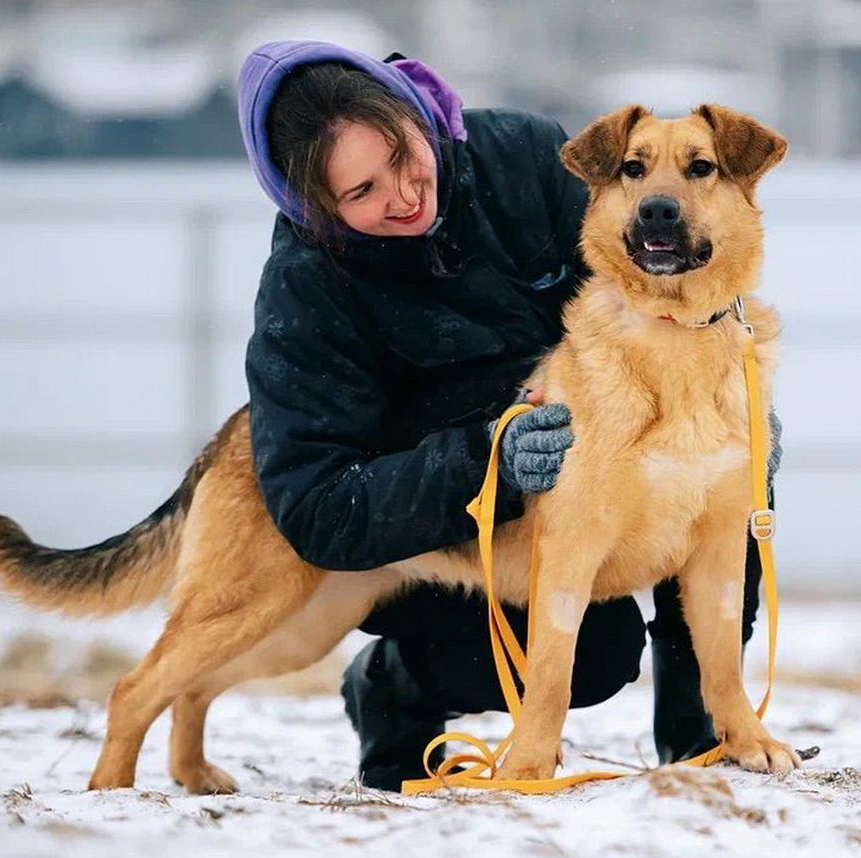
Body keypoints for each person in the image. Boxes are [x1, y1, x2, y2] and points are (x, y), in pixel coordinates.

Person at [237, 41, 781, 791]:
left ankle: (704, 729)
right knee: (597, 653)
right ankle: (393, 688)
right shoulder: (306, 288)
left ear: (420, 117)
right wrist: (481, 460)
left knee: (727, 473)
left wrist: (729, 399)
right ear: (318, 208)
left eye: (403, 157)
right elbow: (318, 507)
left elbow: (658, 273)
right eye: (363, 191)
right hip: (441, 543)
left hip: (576, 478)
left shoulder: (521, 159)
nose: (402, 195)